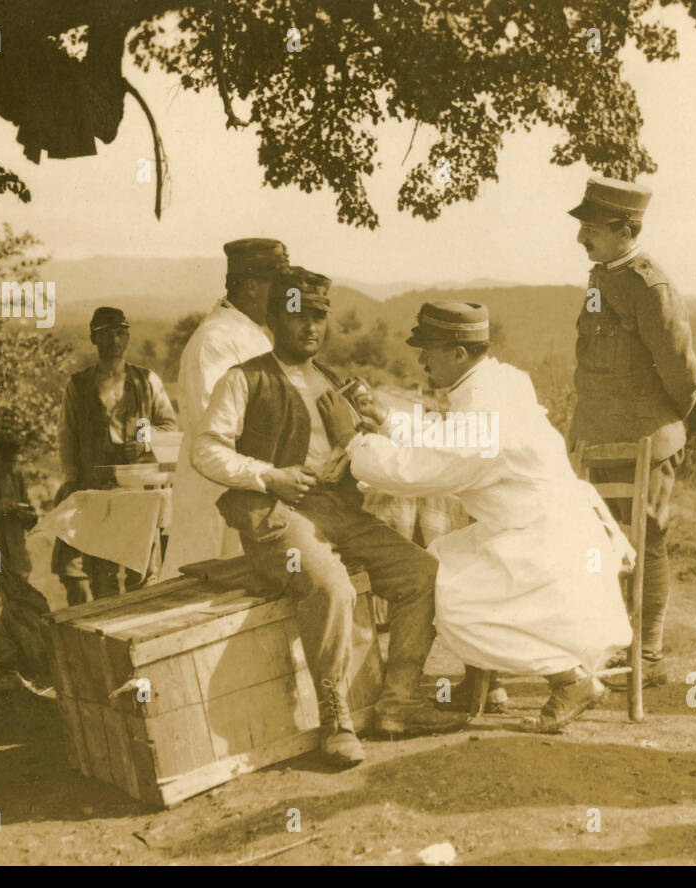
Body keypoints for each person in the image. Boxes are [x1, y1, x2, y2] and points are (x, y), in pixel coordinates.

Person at [191, 267, 463, 769]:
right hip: (277, 514)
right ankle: (335, 716)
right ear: (274, 319)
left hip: (337, 510)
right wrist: (266, 476)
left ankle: (397, 702)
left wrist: (370, 422)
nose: (311, 327)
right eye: (298, 315)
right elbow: (205, 450)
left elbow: (361, 452)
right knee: (333, 587)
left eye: (318, 315)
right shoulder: (245, 378)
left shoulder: (333, 381)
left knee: (423, 573)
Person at [323, 302, 633, 732]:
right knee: (439, 558)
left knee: (455, 602)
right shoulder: (496, 382)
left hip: (542, 539)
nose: (421, 360)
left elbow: (422, 471)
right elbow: (449, 434)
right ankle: (478, 686)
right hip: (535, 524)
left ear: (459, 353)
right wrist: (388, 418)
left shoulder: (487, 411)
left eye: (428, 350)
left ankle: (570, 679)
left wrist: (353, 442)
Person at [567, 176, 696, 689]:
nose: (582, 238)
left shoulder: (651, 286)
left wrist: (673, 421)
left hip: (646, 439)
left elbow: (681, 371)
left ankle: (646, 656)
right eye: (582, 227)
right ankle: (611, 646)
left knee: (645, 540)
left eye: (592, 229)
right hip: (597, 436)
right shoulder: (602, 278)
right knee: (601, 545)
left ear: (626, 229)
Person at [161, 238, 288, 580]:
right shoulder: (214, 342)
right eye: (277, 286)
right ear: (251, 287)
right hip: (217, 496)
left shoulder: (253, 335)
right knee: (199, 599)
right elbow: (215, 436)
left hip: (250, 490)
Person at [53, 306, 177, 604]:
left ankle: (141, 630)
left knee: (143, 574)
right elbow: (67, 435)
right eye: (106, 334)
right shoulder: (79, 386)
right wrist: (72, 479)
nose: (114, 340)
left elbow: (169, 424)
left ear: (128, 337)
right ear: (94, 339)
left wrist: (145, 441)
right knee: (101, 573)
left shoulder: (146, 382)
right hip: (97, 491)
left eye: (120, 333)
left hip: (139, 492)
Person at [0, 431, 37, 583]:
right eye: (6, 461)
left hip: (17, 550)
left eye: (13, 461)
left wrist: (29, 516)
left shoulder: (16, 476)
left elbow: (28, 510)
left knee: (22, 591)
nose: (10, 467)